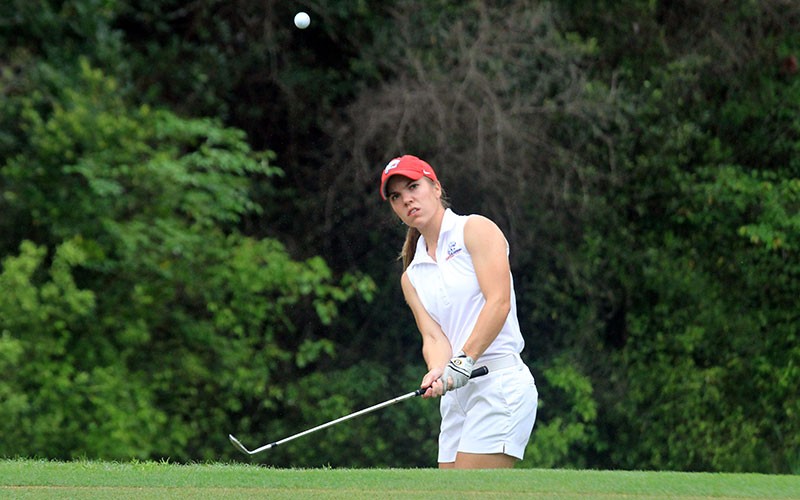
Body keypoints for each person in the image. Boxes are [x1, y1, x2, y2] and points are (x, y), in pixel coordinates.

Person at [379, 154, 538, 469]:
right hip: (457, 395)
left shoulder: (475, 230)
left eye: (414, 186)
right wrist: (438, 370)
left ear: (436, 188)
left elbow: (499, 303)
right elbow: (433, 336)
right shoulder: (410, 277)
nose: (406, 199)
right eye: (396, 197)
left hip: (499, 384)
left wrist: (463, 361)